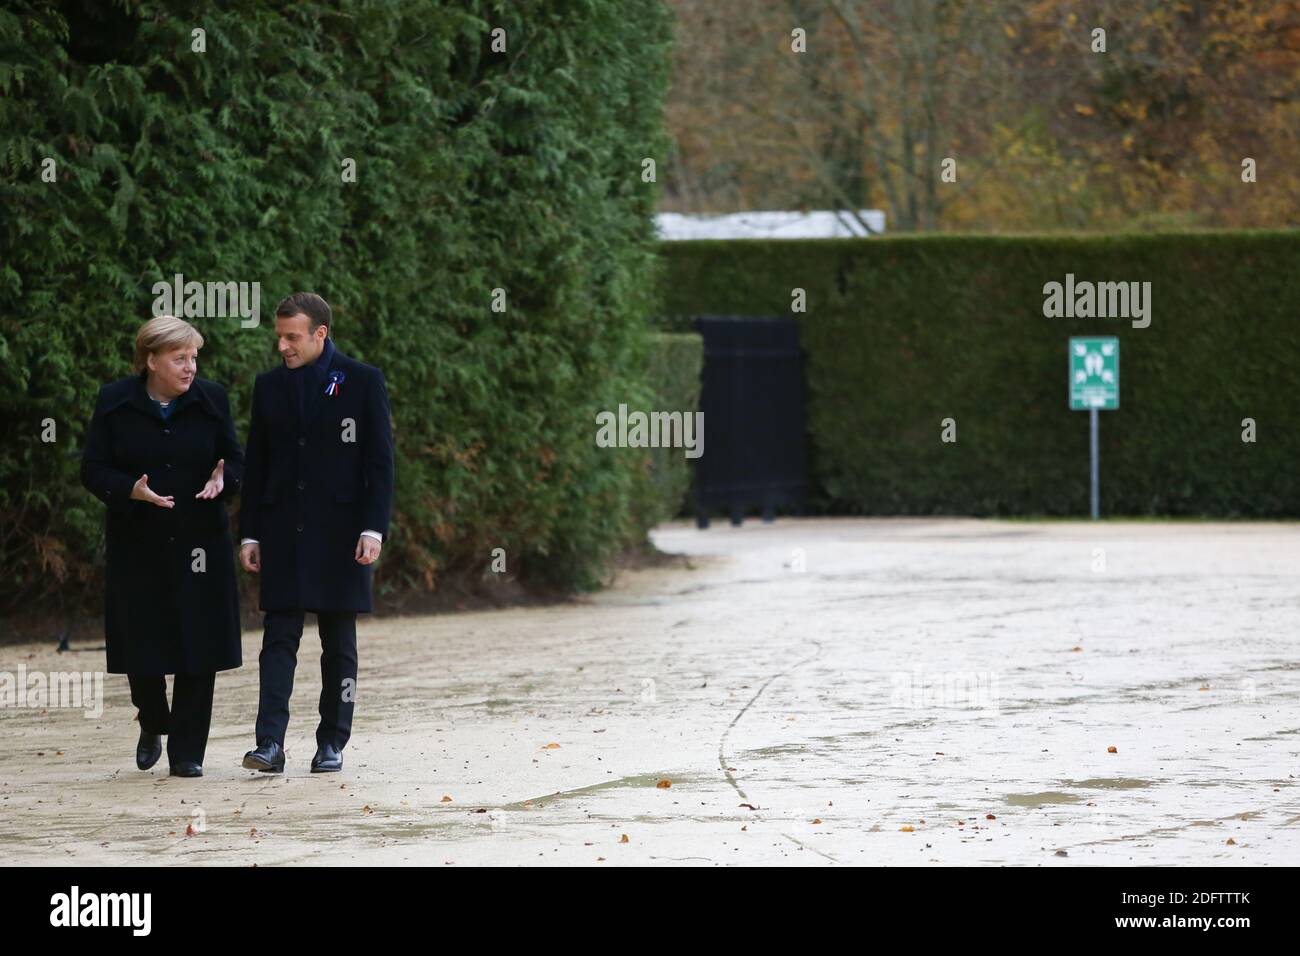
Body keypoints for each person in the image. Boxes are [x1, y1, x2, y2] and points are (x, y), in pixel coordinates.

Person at [80, 315, 244, 777]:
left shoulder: (212, 399)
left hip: (201, 542)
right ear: (151, 360)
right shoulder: (114, 402)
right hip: (139, 543)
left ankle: (188, 753)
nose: (190, 367)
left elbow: (235, 457)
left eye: (194, 357)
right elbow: (92, 469)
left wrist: (224, 477)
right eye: (179, 358)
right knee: (142, 648)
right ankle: (151, 718)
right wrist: (131, 488)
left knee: (201, 645)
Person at [238, 292, 394, 774]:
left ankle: (332, 742)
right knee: (277, 639)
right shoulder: (268, 387)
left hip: (342, 532)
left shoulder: (363, 382)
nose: (282, 345)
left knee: (338, 642)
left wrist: (373, 528)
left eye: (292, 337)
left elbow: (379, 463)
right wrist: (249, 534)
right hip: (283, 530)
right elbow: (257, 463)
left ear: (320, 334)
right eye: (279, 336)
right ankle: (269, 744)